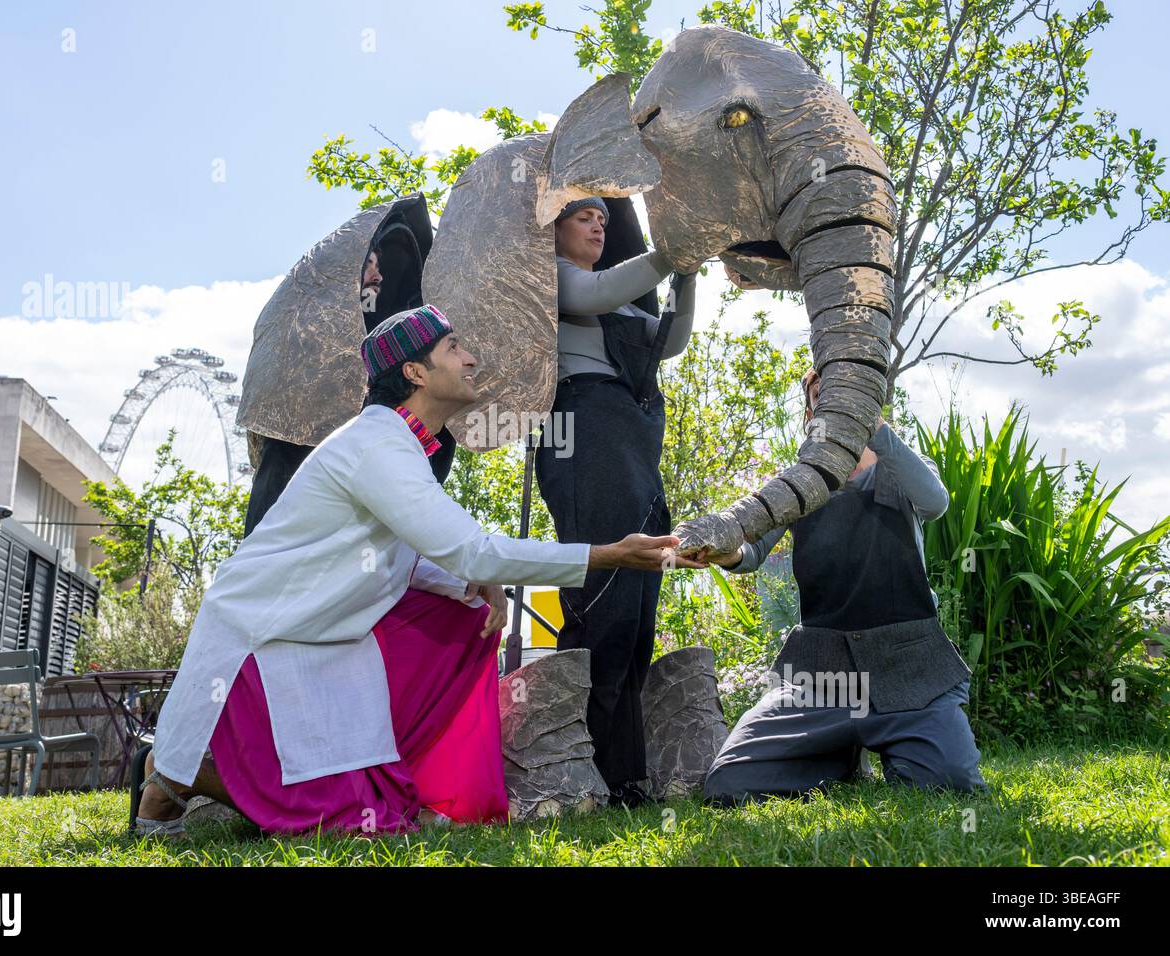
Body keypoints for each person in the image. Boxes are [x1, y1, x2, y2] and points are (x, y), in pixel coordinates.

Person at [134, 304, 702, 837]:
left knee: (454, 627)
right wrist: (608, 554)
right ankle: (176, 774)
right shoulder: (378, 445)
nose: (471, 359)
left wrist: (475, 584)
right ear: (416, 371)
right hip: (259, 638)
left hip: (312, 631)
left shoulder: (399, 446)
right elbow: (470, 549)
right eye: (455, 348)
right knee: (345, 818)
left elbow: (412, 557)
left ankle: (201, 770)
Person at [692, 368, 986, 804]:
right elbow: (750, 554)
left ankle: (892, 744)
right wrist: (726, 552)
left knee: (951, 783)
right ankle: (840, 754)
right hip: (820, 677)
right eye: (820, 393)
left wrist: (875, 427)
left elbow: (935, 502)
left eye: (845, 390)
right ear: (810, 412)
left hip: (909, 672)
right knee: (730, 784)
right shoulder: (797, 483)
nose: (832, 399)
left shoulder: (903, 468)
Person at [535, 196, 697, 808]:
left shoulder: (621, 294)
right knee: (601, 598)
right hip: (584, 431)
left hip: (631, 431)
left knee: (637, 603)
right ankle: (580, 763)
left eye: (603, 216)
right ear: (554, 228)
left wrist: (683, 274)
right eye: (583, 216)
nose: (599, 222)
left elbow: (672, 341)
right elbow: (590, 295)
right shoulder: (553, 276)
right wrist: (668, 252)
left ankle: (623, 773)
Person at [243, 236, 456, 536]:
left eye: (380, 266)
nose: (377, 274)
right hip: (291, 485)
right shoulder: (301, 349)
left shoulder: (397, 361)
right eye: (368, 264)